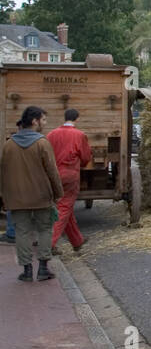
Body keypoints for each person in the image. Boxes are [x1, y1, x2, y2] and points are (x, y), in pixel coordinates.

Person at [0, 105, 64, 281]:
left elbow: (3, 173)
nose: (44, 123)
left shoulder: (8, 145)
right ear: (35, 121)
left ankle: (27, 270)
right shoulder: (42, 143)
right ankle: (43, 268)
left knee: (22, 232)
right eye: (43, 119)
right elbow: (52, 171)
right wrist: (58, 192)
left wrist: (4, 197)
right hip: (41, 195)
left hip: (16, 197)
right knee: (44, 230)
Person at [47, 108, 92, 253]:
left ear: (64, 117)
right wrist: (81, 165)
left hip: (53, 174)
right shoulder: (79, 135)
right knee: (65, 208)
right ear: (76, 119)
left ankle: (77, 240)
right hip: (69, 174)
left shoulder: (51, 134)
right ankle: (50, 244)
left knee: (66, 207)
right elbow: (85, 157)